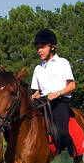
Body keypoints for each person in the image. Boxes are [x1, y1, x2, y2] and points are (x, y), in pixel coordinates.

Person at [31, 28, 76, 156]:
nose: (39, 51)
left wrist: (57, 93)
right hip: (43, 103)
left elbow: (72, 85)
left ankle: (70, 161)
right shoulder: (38, 68)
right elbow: (37, 91)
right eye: (38, 48)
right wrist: (34, 96)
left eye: (42, 47)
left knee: (62, 132)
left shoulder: (63, 63)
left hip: (60, 102)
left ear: (52, 47)